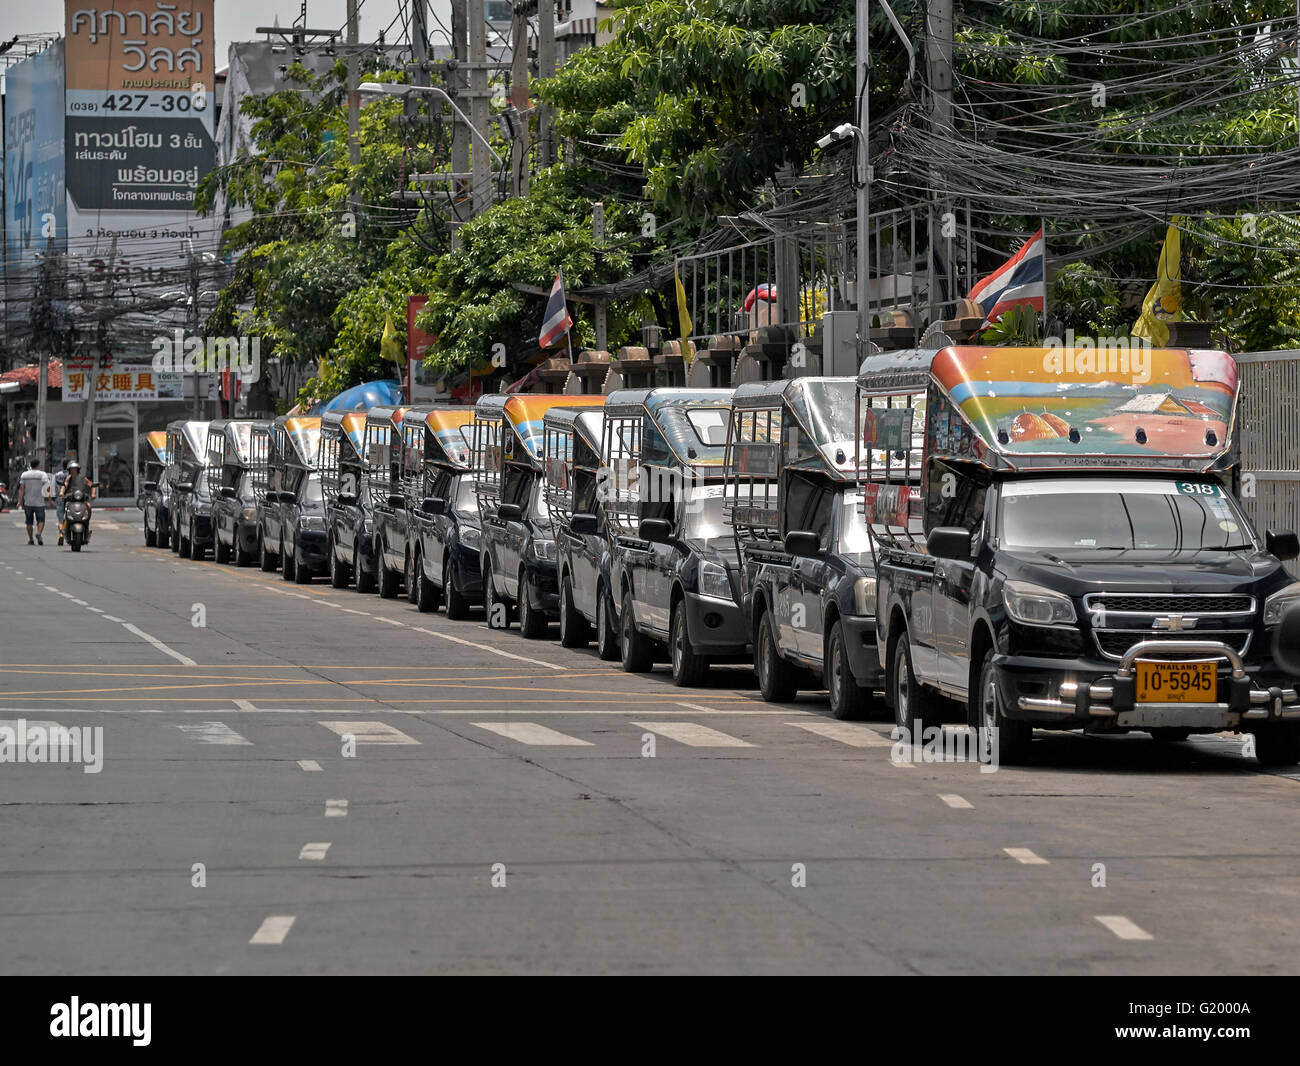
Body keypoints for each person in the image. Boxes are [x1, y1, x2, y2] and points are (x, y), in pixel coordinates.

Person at [16, 457, 53, 545]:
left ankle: (31, 539)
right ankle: (38, 533)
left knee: (29, 521)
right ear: (38, 465)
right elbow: (47, 488)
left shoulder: (25, 475)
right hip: (39, 502)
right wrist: (50, 499)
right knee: (41, 520)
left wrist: (19, 501)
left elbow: (21, 489)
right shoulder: (42, 474)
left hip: (28, 502)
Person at [61, 461, 96, 546]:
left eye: (75, 469)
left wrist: (93, 493)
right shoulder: (69, 478)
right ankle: (64, 529)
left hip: (81, 499)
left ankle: (86, 520)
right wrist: (61, 492)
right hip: (71, 499)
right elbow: (64, 485)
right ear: (69, 470)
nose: (73, 471)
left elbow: (91, 485)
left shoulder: (82, 478)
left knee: (88, 506)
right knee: (66, 511)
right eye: (72, 469)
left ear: (78, 470)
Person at [54, 459, 69, 546]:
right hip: (69, 499)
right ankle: (65, 532)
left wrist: (52, 498)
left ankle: (61, 534)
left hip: (59, 499)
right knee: (68, 518)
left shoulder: (57, 475)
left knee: (60, 520)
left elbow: (53, 487)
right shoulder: (71, 475)